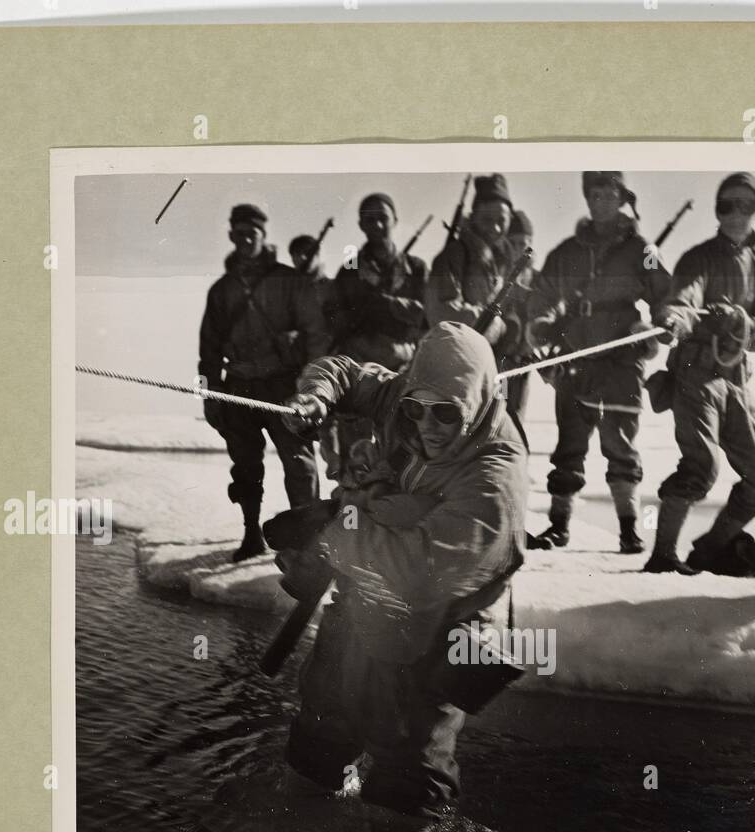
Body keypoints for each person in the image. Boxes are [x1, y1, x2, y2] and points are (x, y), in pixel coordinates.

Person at [277, 321, 529, 832]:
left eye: (446, 413)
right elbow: (345, 371)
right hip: (361, 606)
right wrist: (316, 396)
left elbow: (421, 575)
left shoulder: (495, 479)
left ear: (477, 401)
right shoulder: (405, 399)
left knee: (405, 795)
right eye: (416, 409)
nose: (427, 425)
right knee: (314, 753)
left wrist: (338, 530)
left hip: (438, 631)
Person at [526, 172, 671, 554]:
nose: (601, 202)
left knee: (620, 444)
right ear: (587, 199)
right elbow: (542, 294)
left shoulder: (643, 249)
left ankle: (629, 530)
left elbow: (665, 296)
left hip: (622, 358)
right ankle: (559, 526)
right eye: (595, 195)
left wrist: (657, 326)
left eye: (609, 194)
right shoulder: (567, 251)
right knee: (569, 443)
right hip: (576, 354)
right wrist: (541, 323)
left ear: (622, 199)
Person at [646, 172, 755, 577]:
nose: (736, 213)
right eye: (727, 205)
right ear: (717, 212)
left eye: (746, 205)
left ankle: (708, 550)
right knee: (701, 467)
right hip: (695, 374)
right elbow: (683, 298)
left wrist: (741, 321)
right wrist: (675, 319)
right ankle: (662, 557)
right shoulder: (698, 258)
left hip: (736, 380)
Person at [198, 204, 327, 561]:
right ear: (231, 235)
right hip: (238, 387)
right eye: (239, 233)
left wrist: (312, 390)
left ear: (264, 235)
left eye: (251, 233)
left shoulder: (291, 281)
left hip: (284, 386)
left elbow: (316, 336)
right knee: (245, 466)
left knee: (299, 463)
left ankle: (308, 546)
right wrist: (209, 395)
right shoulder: (221, 291)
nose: (245, 240)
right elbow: (208, 350)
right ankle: (251, 534)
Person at [322, 193, 429, 475]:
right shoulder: (350, 268)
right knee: (357, 456)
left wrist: (389, 305)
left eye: (383, 218)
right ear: (361, 225)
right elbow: (334, 315)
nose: (377, 225)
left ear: (395, 220)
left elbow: (427, 314)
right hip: (360, 368)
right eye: (370, 220)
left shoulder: (416, 268)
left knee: (404, 456)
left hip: (404, 368)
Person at [426, 174, 525, 376]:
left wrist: (513, 327)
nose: (495, 228)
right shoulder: (454, 254)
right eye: (487, 220)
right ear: (473, 218)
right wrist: (496, 325)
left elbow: (511, 308)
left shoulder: (504, 262)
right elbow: (441, 312)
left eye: (501, 221)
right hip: (452, 363)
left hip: (485, 364)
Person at [498, 209, 537, 424]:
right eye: (514, 243)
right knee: (496, 415)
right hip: (500, 363)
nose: (519, 248)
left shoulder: (537, 279)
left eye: (524, 243)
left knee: (516, 420)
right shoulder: (497, 274)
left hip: (523, 364)